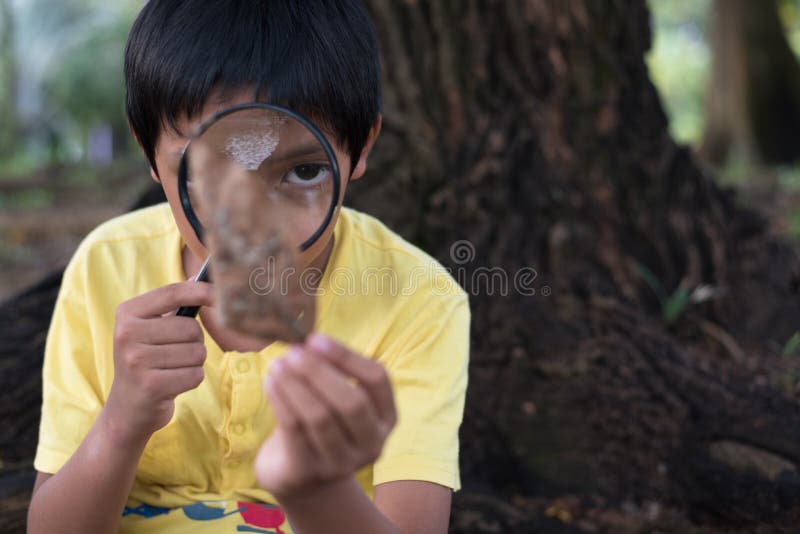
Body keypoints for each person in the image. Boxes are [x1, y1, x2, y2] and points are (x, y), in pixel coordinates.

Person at [27, 1, 469, 533]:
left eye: (303, 171)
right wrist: (122, 420)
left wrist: (318, 490)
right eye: (210, 171)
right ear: (147, 149)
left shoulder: (418, 298)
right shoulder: (105, 268)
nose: (252, 221)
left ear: (363, 146)